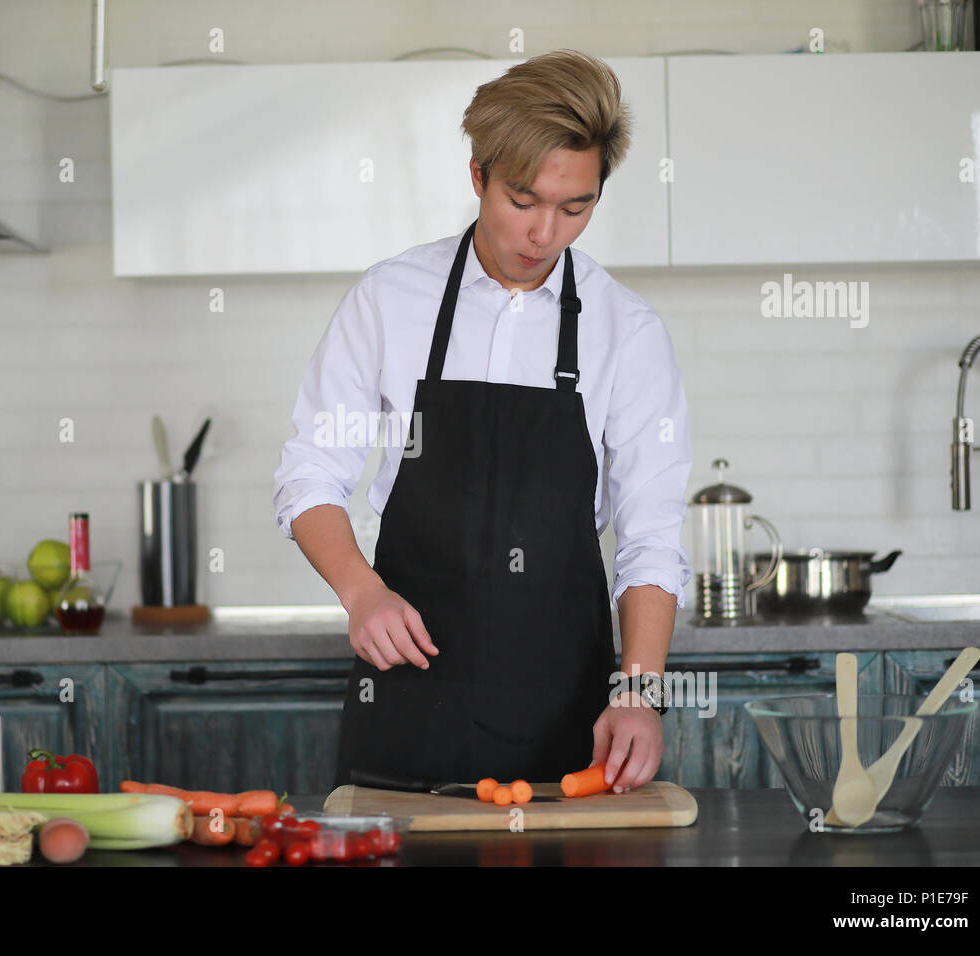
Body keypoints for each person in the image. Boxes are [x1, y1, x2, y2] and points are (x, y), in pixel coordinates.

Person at [272, 49, 691, 794]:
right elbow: (310, 474)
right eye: (523, 200)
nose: (545, 234)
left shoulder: (625, 329)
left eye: (576, 207)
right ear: (478, 176)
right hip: (406, 696)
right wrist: (361, 592)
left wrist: (641, 692)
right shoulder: (389, 300)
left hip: (566, 712)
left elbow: (652, 535)